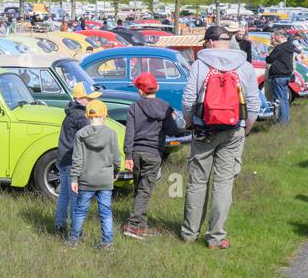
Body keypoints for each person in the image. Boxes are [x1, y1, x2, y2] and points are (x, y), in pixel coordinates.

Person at [180, 25, 260, 249]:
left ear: (211, 42)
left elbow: (188, 100)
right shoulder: (244, 66)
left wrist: (189, 122)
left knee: (197, 182)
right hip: (233, 130)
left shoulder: (199, 65)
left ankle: (189, 233)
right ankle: (215, 237)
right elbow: (253, 103)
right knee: (223, 184)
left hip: (203, 130)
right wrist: (247, 128)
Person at [122, 72, 180, 240]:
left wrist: (128, 155)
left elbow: (129, 133)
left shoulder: (134, 107)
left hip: (136, 153)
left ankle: (141, 225)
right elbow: (172, 131)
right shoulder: (166, 107)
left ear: (140, 92)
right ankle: (133, 226)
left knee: (139, 189)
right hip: (154, 153)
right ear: (158, 88)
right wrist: (177, 123)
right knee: (144, 191)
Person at [68, 99, 121, 248]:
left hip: (86, 180)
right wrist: (116, 171)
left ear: (87, 116)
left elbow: (77, 158)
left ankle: (73, 240)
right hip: (105, 180)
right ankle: (107, 243)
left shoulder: (80, 134)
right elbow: (116, 157)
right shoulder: (111, 133)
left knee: (80, 211)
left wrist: (74, 178)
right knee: (105, 213)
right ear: (105, 116)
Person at [55, 82, 98, 234]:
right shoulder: (81, 116)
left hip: (63, 159)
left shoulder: (71, 111)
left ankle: (60, 224)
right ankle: (75, 229)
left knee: (64, 195)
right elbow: (91, 138)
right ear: (79, 98)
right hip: (74, 161)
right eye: (89, 98)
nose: (93, 101)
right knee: (75, 197)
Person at [265, 30, 297, 125]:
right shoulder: (289, 46)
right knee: (284, 99)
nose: (273, 39)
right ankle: (286, 118)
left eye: (274, 37)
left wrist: (268, 54)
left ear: (279, 37)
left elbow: (270, 59)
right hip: (286, 75)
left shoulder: (280, 47)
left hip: (279, 76)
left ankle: (283, 121)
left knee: (280, 99)